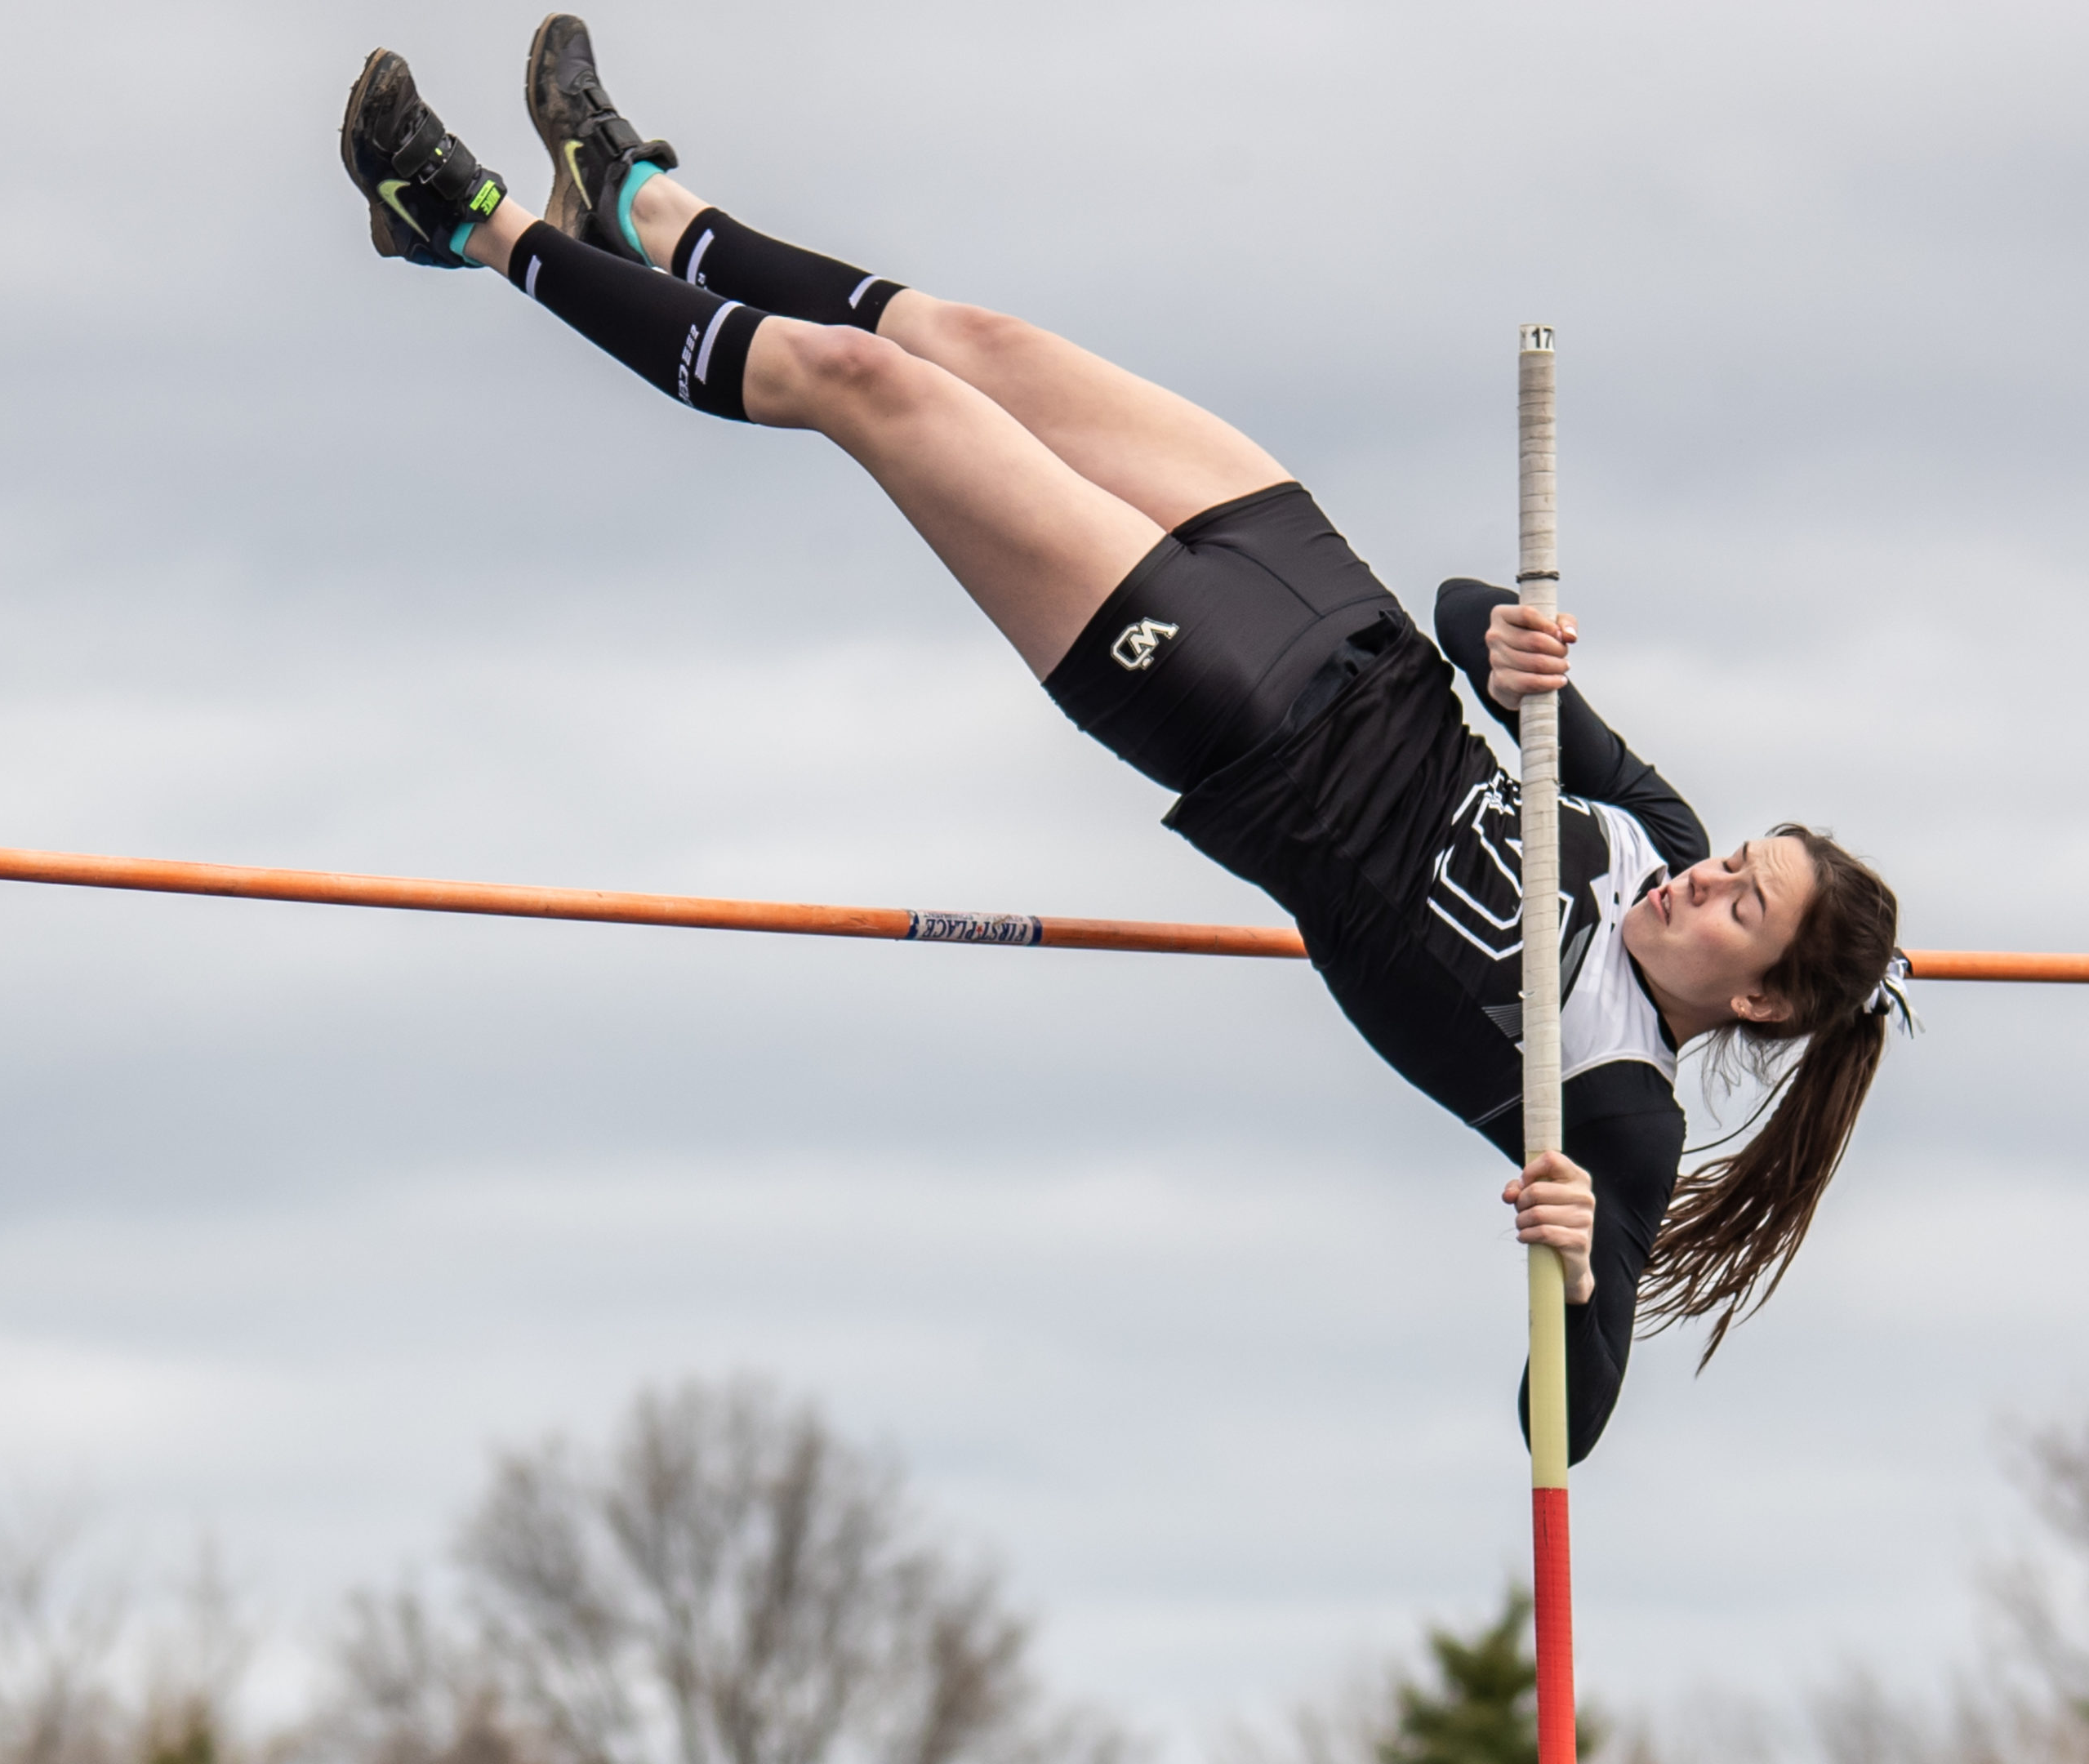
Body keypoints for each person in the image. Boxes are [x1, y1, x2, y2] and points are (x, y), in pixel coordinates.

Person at [338, 16, 1907, 1463]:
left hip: (1230, 722)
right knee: (972, 342)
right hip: (1327, 594)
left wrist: (1570, 1274)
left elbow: (1561, 1430)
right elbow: (1456, 603)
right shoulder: (1663, 835)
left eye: (1736, 911)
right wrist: (1504, 644)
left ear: (1759, 996)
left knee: (867, 389)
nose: (1701, 887)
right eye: (1736, 867)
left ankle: (467, 224)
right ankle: (637, 206)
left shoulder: (1615, 1107)